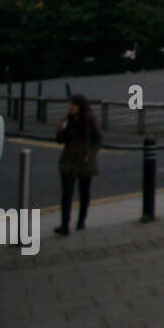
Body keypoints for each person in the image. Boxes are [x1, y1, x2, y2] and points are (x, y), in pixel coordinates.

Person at [54, 94, 101, 235]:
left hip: (84, 161)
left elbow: (98, 140)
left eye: (73, 105)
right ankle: (64, 225)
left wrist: (90, 154)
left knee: (84, 192)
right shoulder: (67, 120)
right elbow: (60, 140)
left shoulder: (89, 120)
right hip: (68, 161)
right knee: (66, 194)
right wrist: (61, 130)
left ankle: (81, 221)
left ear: (80, 107)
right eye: (69, 105)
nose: (70, 108)